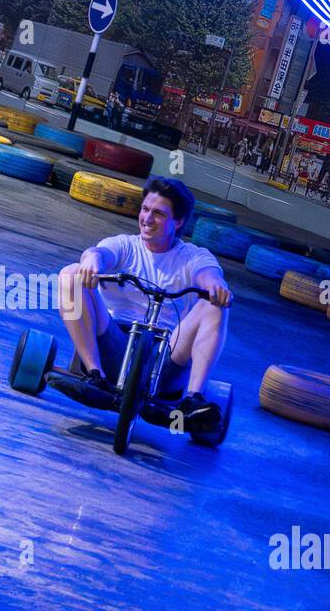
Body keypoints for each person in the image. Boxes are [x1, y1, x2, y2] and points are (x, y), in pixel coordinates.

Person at [55, 176, 233, 430]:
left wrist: (215, 286)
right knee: (71, 274)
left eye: (158, 213)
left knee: (215, 306)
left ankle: (193, 399)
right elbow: (99, 254)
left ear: (178, 221)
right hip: (115, 345)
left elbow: (208, 274)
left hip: (167, 357)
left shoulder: (193, 256)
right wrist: (91, 261)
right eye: (145, 209)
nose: (147, 219)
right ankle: (95, 375)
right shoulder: (125, 245)